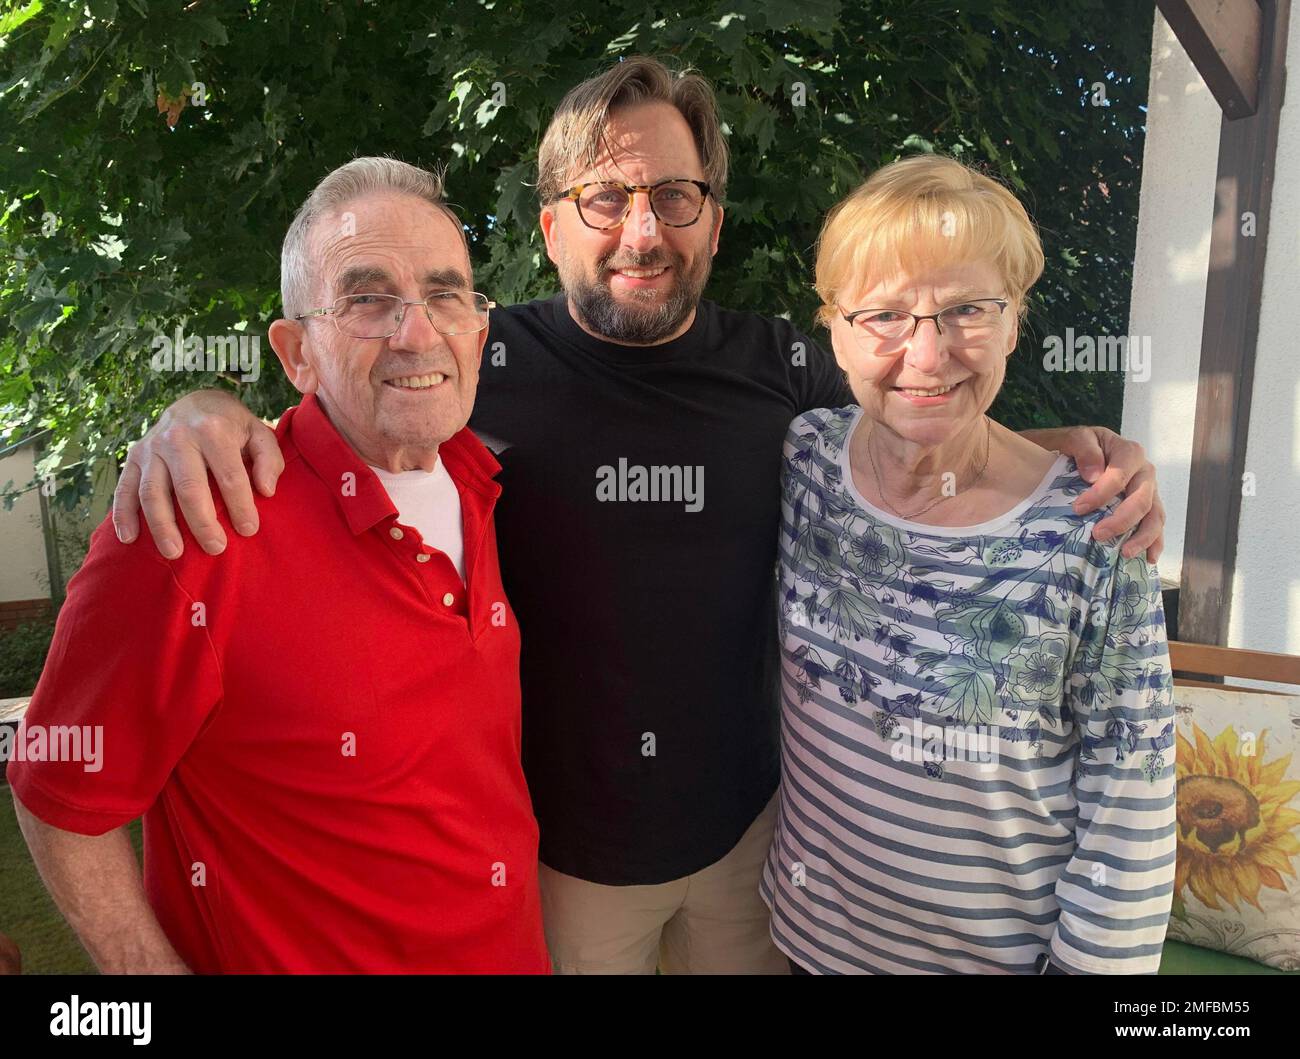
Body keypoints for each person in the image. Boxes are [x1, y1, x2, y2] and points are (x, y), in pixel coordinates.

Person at [109, 58, 1166, 974]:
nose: (643, 232)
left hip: (755, 845)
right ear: (551, 223)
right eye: (606, 199)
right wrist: (194, 408)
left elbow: (920, 394)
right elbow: (335, 411)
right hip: (566, 860)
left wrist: (1074, 447)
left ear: (712, 214)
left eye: (675, 195)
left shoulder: (790, 375)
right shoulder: (474, 361)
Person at [8, 158, 549, 974]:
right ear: (296, 352)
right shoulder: (196, 524)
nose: (417, 331)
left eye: (445, 294)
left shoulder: (479, 479)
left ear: (478, 326)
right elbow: (56, 788)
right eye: (368, 299)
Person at [763, 156, 1175, 974]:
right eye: (883, 314)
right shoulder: (804, 459)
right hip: (803, 948)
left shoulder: (1092, 527)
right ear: (834, 330)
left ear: (1016, 320)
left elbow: (1130, 805)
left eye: (967, 311)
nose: (927, 352)